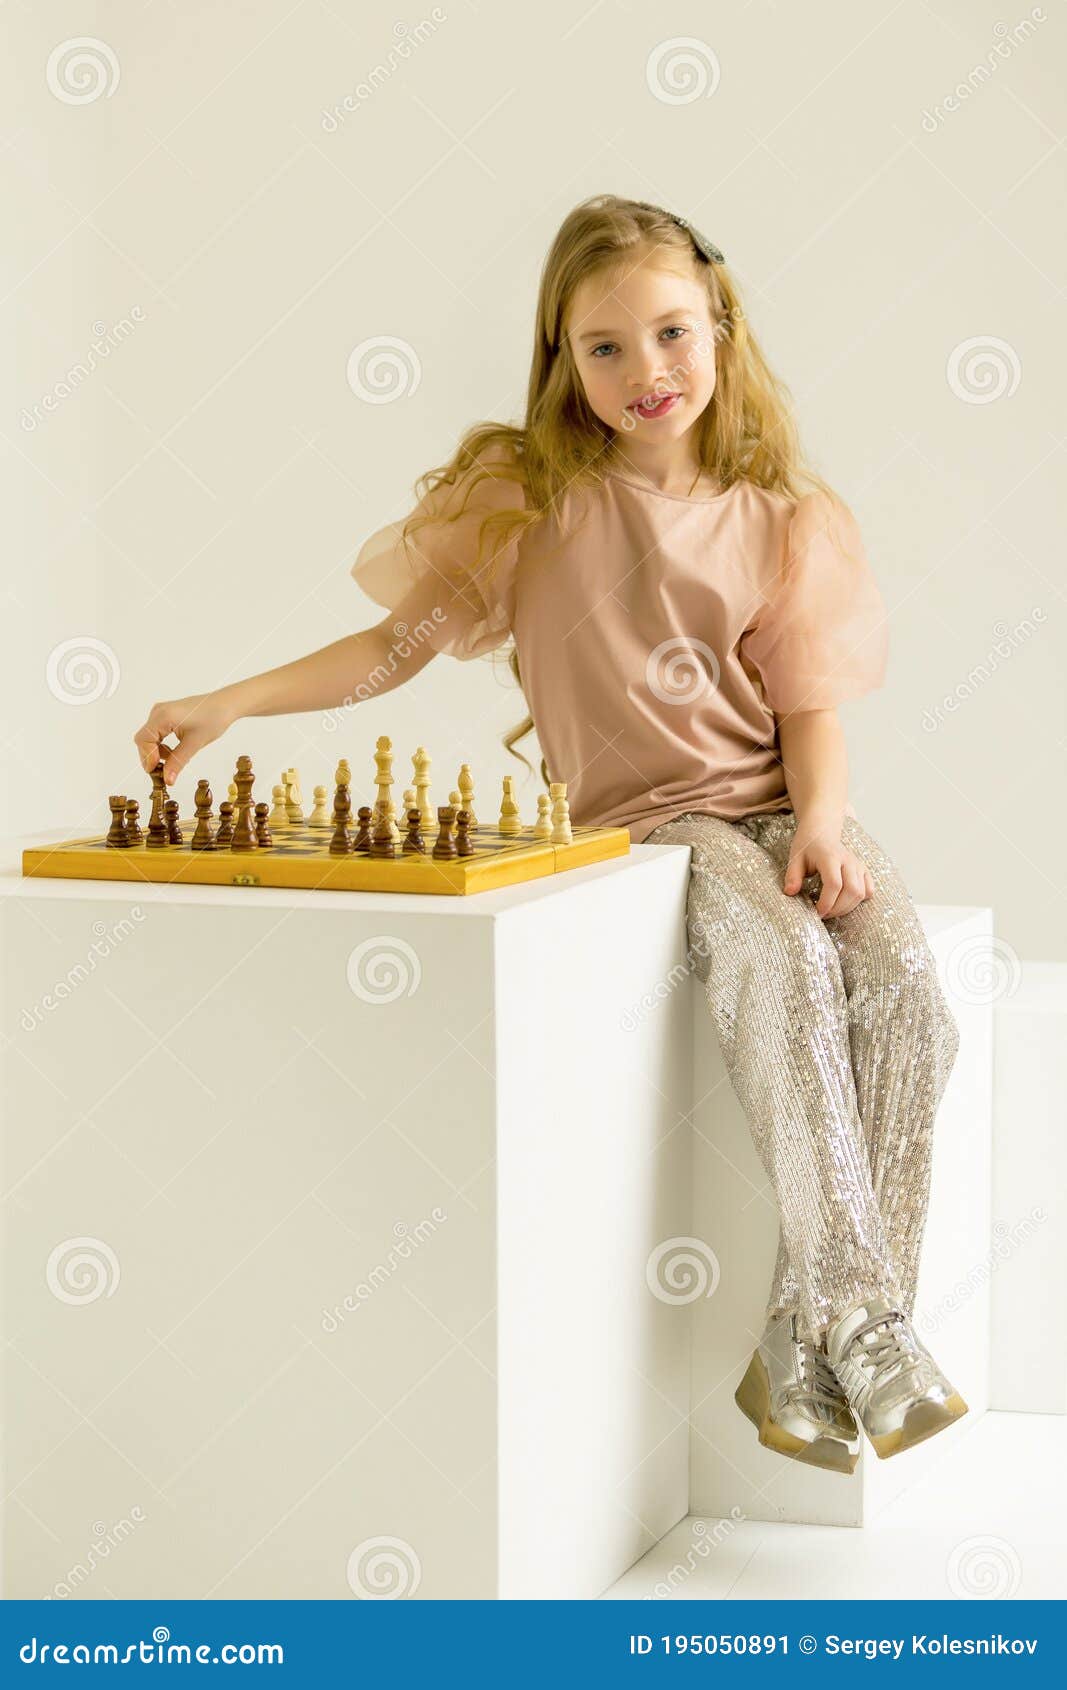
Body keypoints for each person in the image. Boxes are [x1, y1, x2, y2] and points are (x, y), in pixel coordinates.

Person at [134, 193, 965, 1476]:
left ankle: (806, 1340)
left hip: (780, 801)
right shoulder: (527, 498)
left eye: (674, 334)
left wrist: (828, 826)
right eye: (606, 347)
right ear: (560, 359)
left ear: (722, 329)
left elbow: (810, 709)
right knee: (784, 966)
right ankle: (858, 1314)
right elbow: (391, 648)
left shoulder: (778, 516)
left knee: (909, 993)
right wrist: (230, 702)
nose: (648, 372)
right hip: (650, 822)